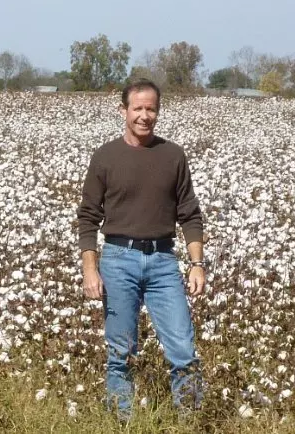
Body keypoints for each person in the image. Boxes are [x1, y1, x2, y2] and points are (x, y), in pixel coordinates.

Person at [76, 79, 205, 418]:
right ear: (124, 111)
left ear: (158, 112)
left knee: (183, 349)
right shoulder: (105, 157)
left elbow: (190, 214)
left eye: (151, 109)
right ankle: (123, 421)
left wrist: (197, 263)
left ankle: (189, 420)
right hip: (117, 260)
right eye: (138, 108)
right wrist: (90, 269)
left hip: (164, 260)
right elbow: (88, 217)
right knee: (121, 352)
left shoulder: (173, 155)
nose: (145, 116)